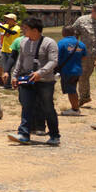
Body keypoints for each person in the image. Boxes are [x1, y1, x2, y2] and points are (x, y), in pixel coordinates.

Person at [9, 17, 59, 146]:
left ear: (35, 30)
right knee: (26, 106)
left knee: (47, 107)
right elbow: (20, 60)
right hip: (27, 80)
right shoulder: (24, 42)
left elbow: (53, 61)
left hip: (45, 81)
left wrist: (40, 73)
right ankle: (24, 134)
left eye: (25, 28)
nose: (22, 31)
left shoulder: (49, 43)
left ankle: (54, 135)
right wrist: (14, 76)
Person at [69, 3, 96, 108]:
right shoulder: (81, 20)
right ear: (92, 11)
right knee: (82, 77)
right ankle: (84, 98)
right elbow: (74, 34)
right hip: (86, 55)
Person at [55, 26, 87, 116]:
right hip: (77, 70)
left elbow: (56, 56)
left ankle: (75, 109)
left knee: (71, 90)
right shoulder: (80, 43)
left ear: (64, 32)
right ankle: (75, 107)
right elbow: (84, 57)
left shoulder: (61, 43)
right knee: (72, 88)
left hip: (67, 70)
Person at [0, 13, 20, 87]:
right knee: (6, 69)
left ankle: (17, 83)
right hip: (4, 50)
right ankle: (7, 85)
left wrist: (2, 27)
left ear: (13, 20)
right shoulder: (6, 26)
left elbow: (12, 32)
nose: (7, 20)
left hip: (13, 51)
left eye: (9, 19)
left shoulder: (17, 27)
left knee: (15, 69)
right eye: (6, 19)